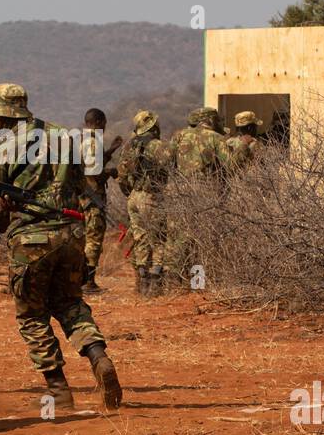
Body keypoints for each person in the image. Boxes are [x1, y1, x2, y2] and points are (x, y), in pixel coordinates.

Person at [0, 83, 121, 412]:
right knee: (70, 304)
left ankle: (59, 390)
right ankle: (98, 356)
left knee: (32, 316)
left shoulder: (1, 146)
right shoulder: (62, 135)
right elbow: (80, 182)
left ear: (7, 113)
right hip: (72, 235)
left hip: (30, 240)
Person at [164, 106, 229, 288]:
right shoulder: (216, 138)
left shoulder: (179, 136)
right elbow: (231, 164)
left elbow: (166, 161)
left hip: (178, 191)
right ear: (210, 120)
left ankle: (173, 283)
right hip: (204, 193)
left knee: (176, 238)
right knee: (201, 240)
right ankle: (197, 284)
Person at [115, 110, 169, 297]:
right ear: (153, 126)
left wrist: (130, 193)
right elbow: (170, 168)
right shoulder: (157, 145)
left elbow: (120, 175)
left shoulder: (129, 145)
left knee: (140, 238)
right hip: (151, 196)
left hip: (134, 197)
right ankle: (156, 286)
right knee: (158, 238)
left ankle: (142, 284)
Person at [78, 108, 122, 293]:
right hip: (92, 198)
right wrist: (111, 172)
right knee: (93, 240)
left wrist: (110, 151)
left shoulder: (83, 140)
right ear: (99, 122)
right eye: (104, 123)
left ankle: (82, 280)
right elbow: (94, 173)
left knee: (84, 239)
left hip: (82, 198)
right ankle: (89, 282)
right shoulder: (93, 142)